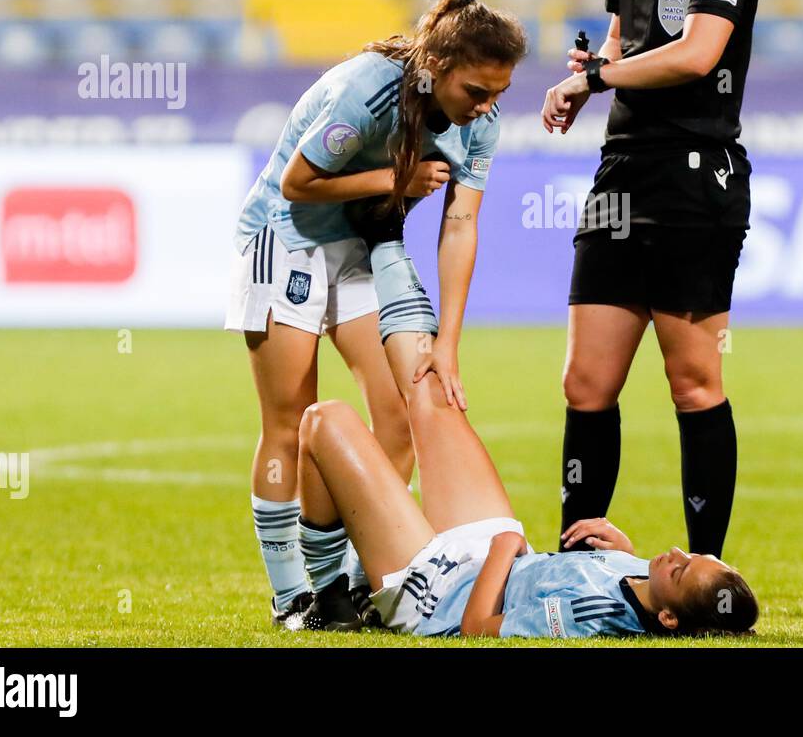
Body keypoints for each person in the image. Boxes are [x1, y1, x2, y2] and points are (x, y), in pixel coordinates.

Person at [225, 0, 527, 623]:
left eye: (498, 92)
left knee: (397, 414)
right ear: (438, 64)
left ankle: (358, 582)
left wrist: (447, 344)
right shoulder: (369, 90)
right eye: (476, 89)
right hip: (285, 237)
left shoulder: (481, 123)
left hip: (358, 245)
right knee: (289, 419)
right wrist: (395, 179)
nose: (486, 106)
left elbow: (460, 227)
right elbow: (295, 182)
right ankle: (293, 595)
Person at [289, 233, 758, 638]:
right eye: (693, 553)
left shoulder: (588, 617)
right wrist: (622, 556)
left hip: (438, 589)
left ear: (670, 619)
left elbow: (477, 628)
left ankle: (329, 602)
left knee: (324, 421)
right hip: (493, 554)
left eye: (679, 569)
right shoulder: (646, 583)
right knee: (429, 385)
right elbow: (619, 585)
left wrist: (506, 546)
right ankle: (384, 236)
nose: (675, 553)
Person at [539, 0, 761, 558]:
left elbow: (699, 54)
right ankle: (577, 559)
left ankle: (704, 567)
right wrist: (587, 78)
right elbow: (620, 39)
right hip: (621, 175)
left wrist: (601, 77)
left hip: (694, 179)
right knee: (584, 385)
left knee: (693, 383)